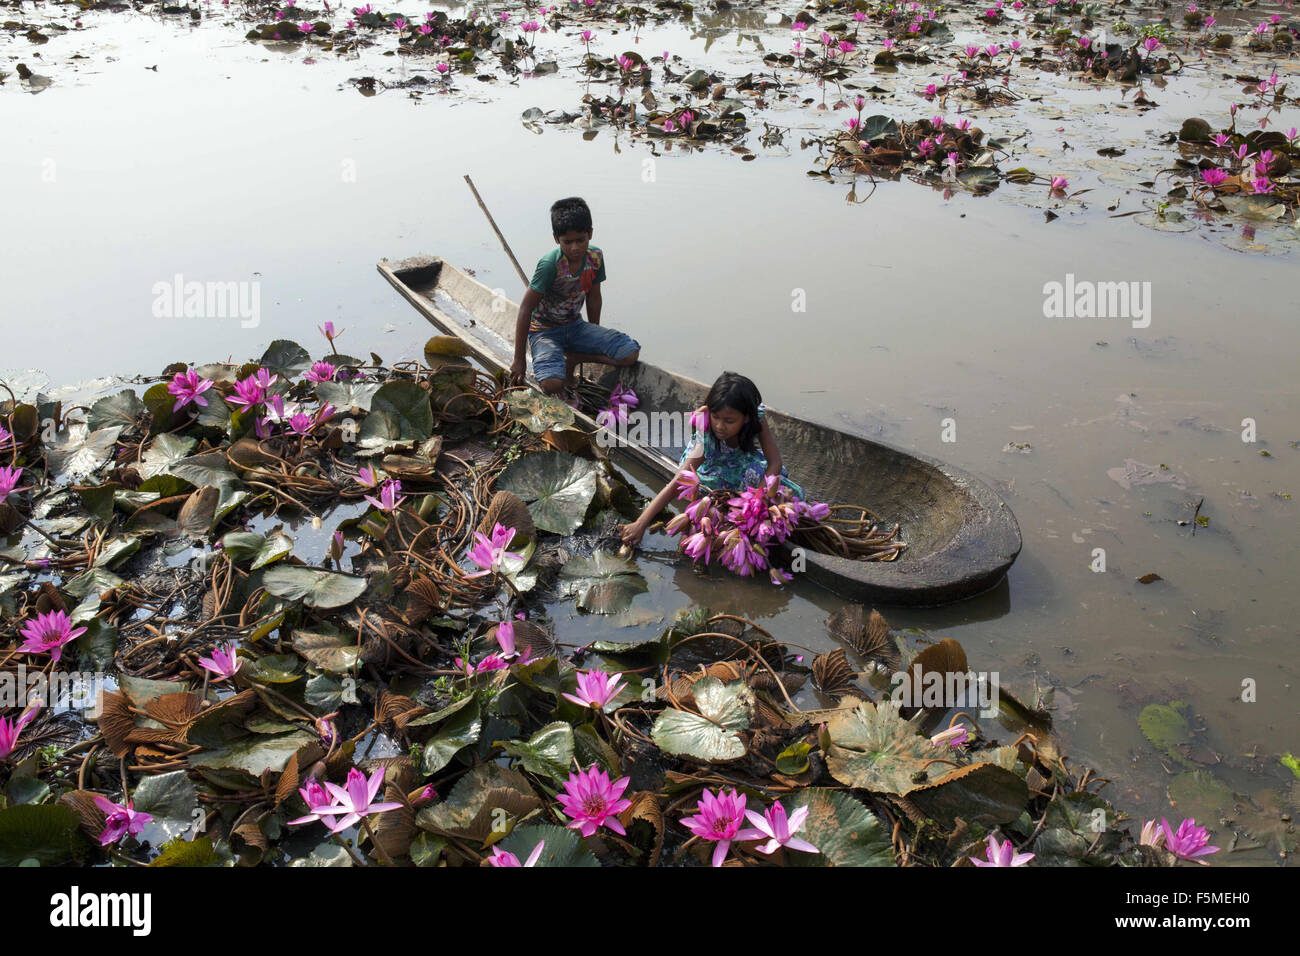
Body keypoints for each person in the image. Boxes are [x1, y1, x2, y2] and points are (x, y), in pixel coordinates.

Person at [618, 372, 803, 548]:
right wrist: (641, 523)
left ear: (746, 418)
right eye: (716, 417)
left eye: (729, 421)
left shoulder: (757, 418)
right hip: (710, 463)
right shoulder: (708, 434)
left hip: (741, 459)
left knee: (786, 492)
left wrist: (755, 500)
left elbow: (775, 463)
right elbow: (678, 482)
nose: (720, 426)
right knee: (708, 494)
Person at [510, 197, 640, 400]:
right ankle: (562, 362)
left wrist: (594, 331)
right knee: (552, 384)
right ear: (556, 239)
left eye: (581, 240)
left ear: (590, 233)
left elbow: (594, 297)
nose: (575, 248)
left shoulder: (595, 257)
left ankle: (574, 357)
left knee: (629, 354)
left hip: (575, 325)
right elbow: (526, 309)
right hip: (545, 331)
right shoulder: (549, 265)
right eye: (567, 242)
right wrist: (519, 360)